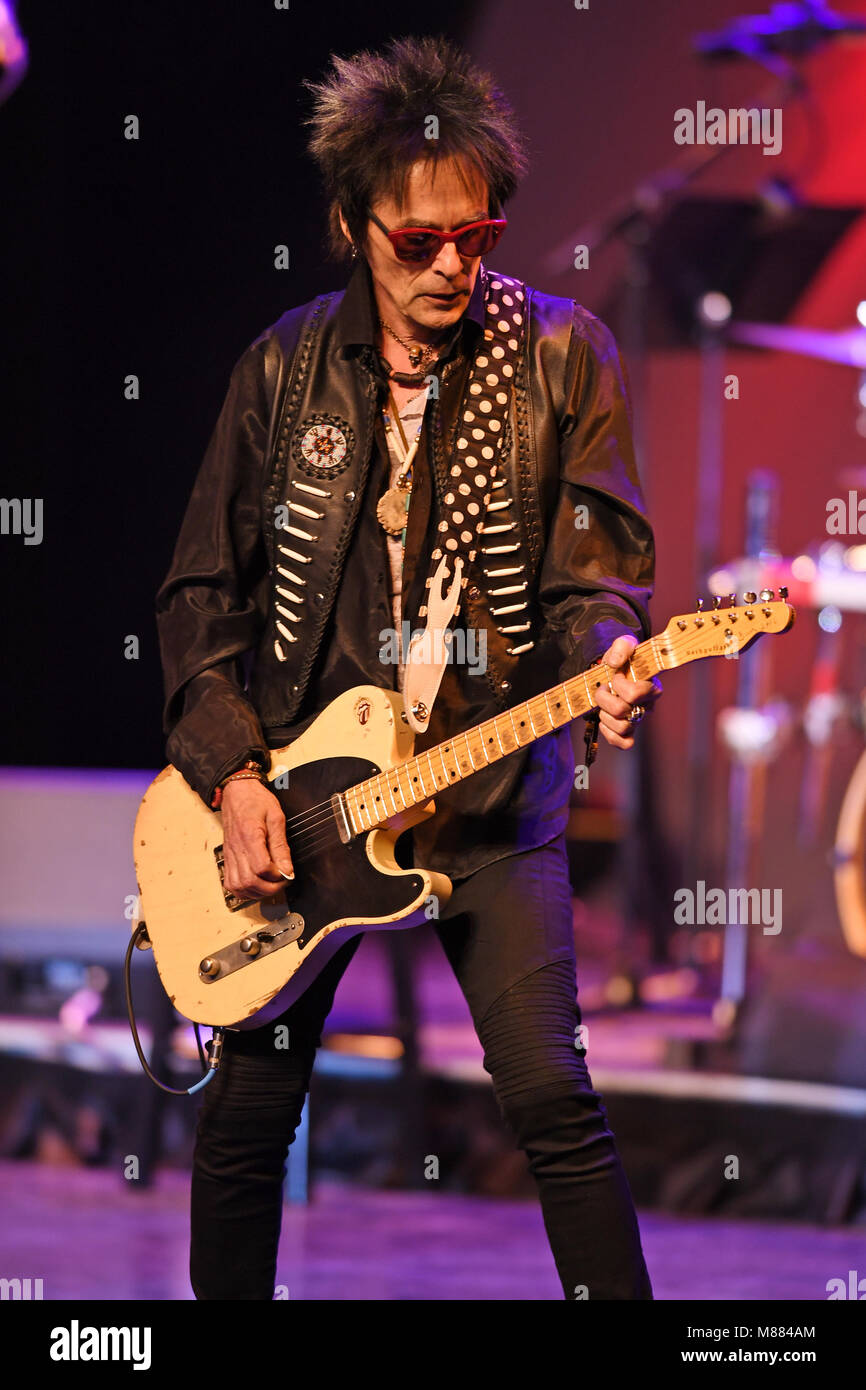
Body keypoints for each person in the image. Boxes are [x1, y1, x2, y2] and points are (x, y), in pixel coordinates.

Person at [156, 34, 660, 1301]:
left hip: (489, 802)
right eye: (415, 240)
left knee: (554, 1103)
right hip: (309, 806)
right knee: (244, 1129)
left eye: (474, 236)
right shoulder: (281, 368)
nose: (450, 265)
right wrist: (231, 776)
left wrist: (607, 660)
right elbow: (199, 596)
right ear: (349, 225)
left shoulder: (559, 354)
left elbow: (591, 574)